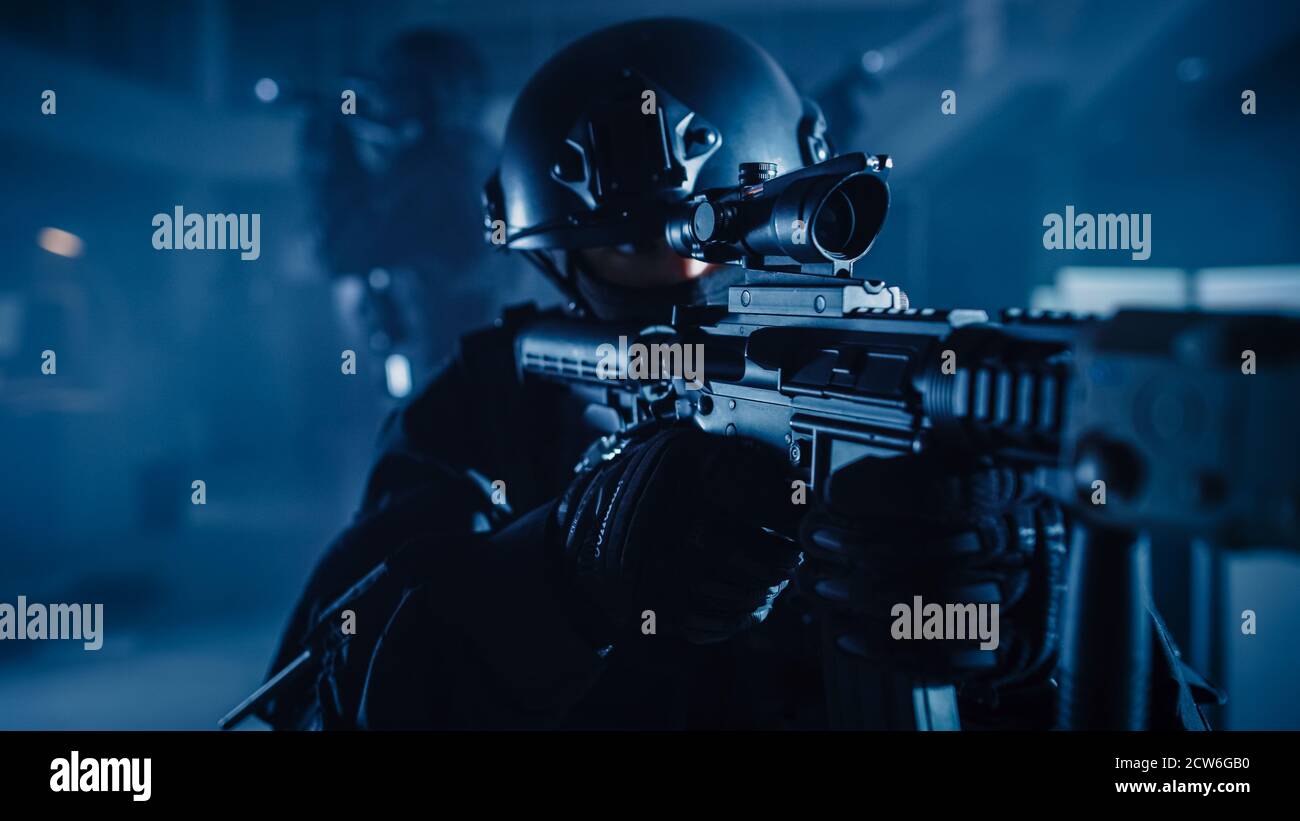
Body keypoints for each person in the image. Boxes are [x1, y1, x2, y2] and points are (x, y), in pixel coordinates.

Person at [265, 17, 1216, 730]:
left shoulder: (938, 400)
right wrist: (560, 575)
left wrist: (1034, 640)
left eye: (725, 253)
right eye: (633, 256)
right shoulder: (488, 411)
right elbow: (315, 701)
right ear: (556, 263)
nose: (688, 284)